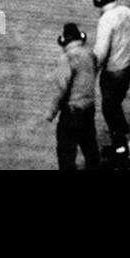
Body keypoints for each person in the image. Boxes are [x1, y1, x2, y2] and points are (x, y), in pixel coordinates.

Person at [92, 0, 130, 166]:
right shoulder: (127, 11)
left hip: (113, 70)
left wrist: (92, 71)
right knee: (115, 104)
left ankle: (120, 148)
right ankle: (120, 138)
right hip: (128, 65)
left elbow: (101, 52)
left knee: (110, 109)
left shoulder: (106, 20)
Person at [47, 22, 102, 170]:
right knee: (90, 146)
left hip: (72, 111)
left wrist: (52, 112)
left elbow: (61, 88)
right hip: (88, 107)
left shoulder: (67, 58)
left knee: (66, 151)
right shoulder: (90, 54)